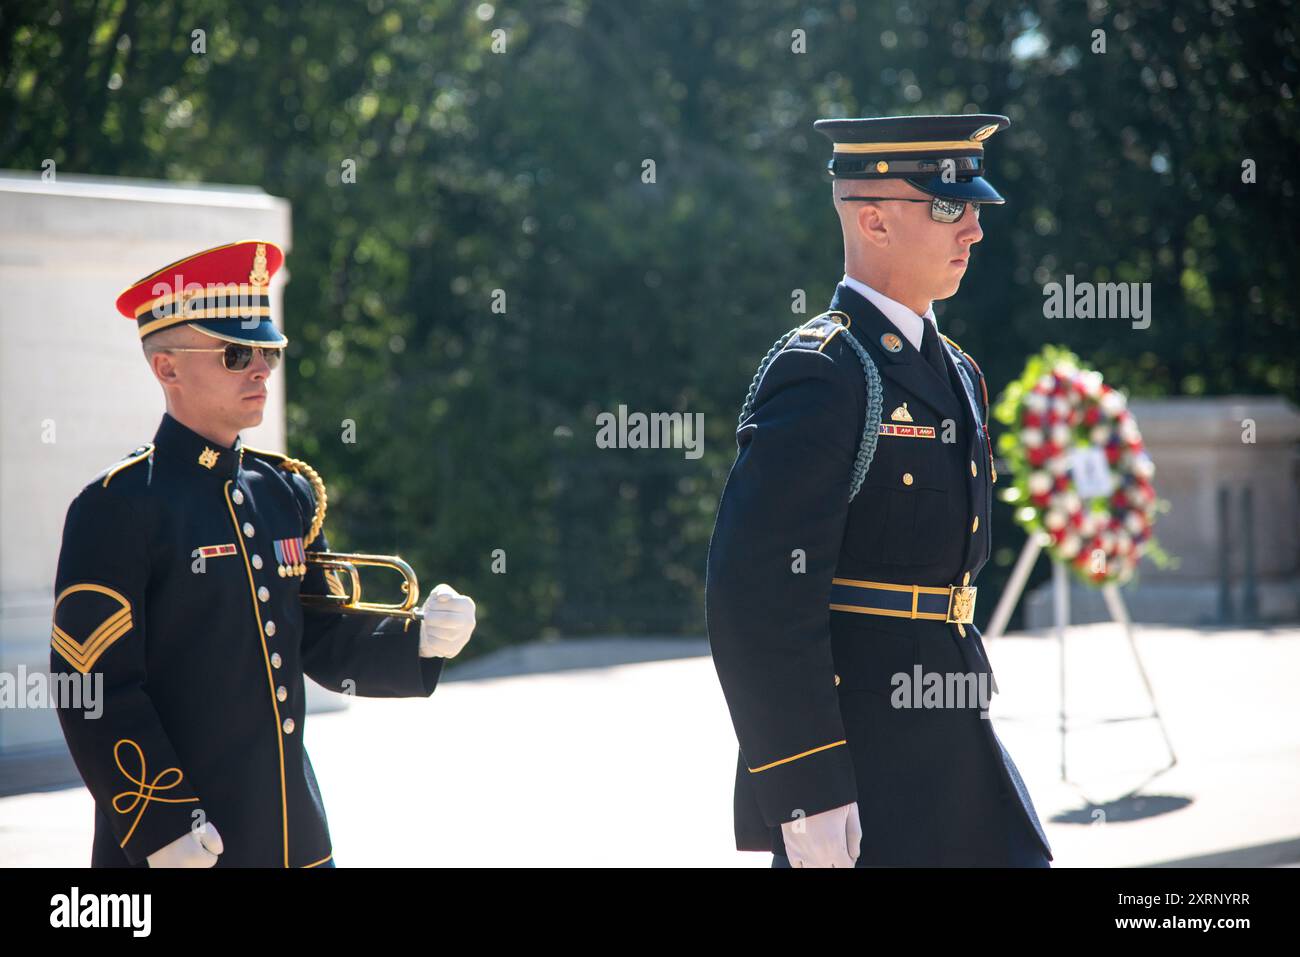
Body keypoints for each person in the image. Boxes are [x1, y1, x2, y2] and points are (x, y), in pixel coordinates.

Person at [50, 240, 477, 867]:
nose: (261, 370)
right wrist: (159, 824)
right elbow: (93, 687)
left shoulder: (284, 491)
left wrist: (417, 640)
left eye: (267, 352)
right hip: (185, 844)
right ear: (166, 368)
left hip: (295, 837)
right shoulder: (117, 505)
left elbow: (321, 637)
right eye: (235, 354)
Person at [705, 115, 1054, 867]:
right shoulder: (826, 370)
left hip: (955, 745)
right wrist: (804, 786)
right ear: (873, 220)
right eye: (948, 207)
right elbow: (754, 593)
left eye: (974, 208)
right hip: (863, 770)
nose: (974, 230)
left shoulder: (957, 370)